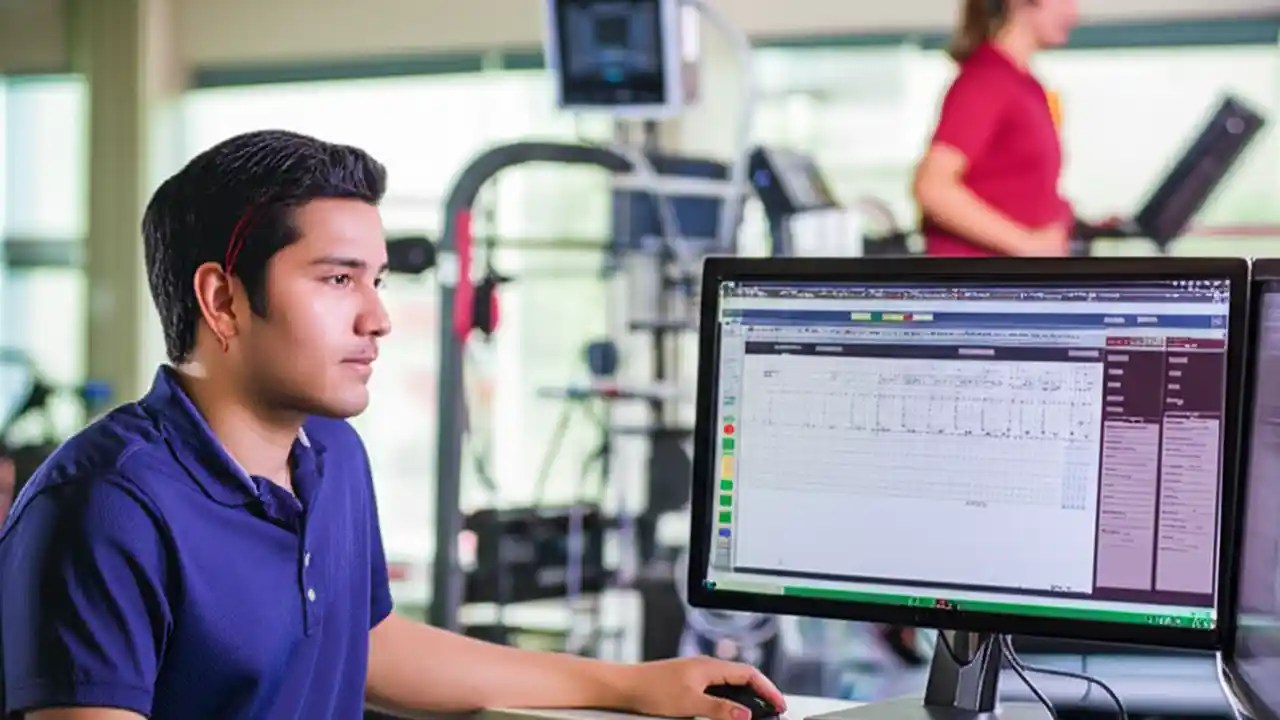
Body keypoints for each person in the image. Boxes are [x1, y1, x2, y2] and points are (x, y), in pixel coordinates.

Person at [0, 130, 787, 720]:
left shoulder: (331, 453)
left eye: (375, 280)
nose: (377, 317)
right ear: (222, 300)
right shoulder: (105, 507)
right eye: (338, 279)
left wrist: (628, 685)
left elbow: (368, 643)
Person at [913, 0, 1080, 257]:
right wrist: (1028, 245)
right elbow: (933, 187)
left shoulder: (1026, 86)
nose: (1073, 13)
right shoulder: (987, 80)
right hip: (980, 275)